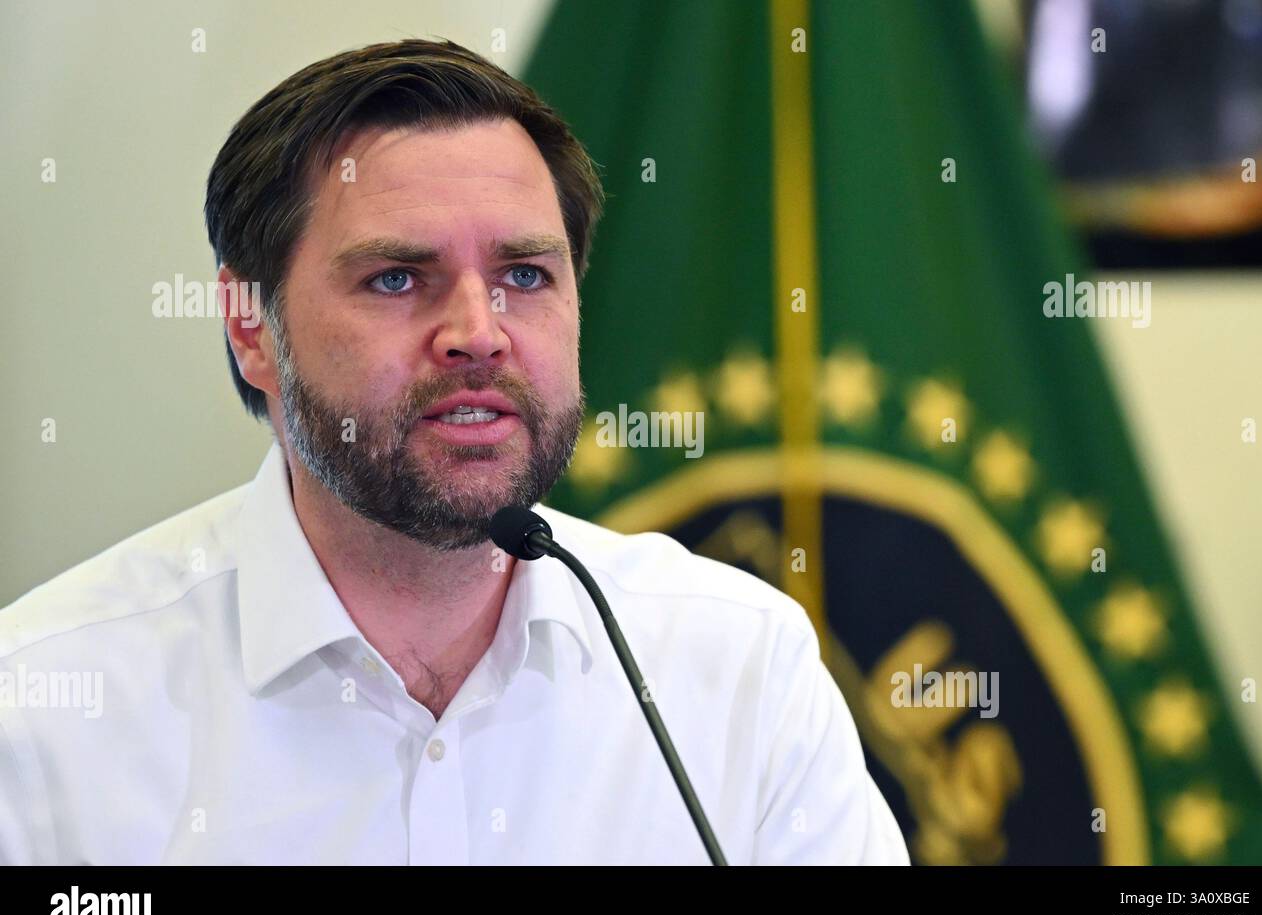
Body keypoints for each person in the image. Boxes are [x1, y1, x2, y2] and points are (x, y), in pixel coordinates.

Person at [0, 38, 907, 865]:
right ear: (251, 328)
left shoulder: (740, 668)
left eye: (525, 276)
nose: (479, 333)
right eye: (397, 278)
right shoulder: (45, 710)